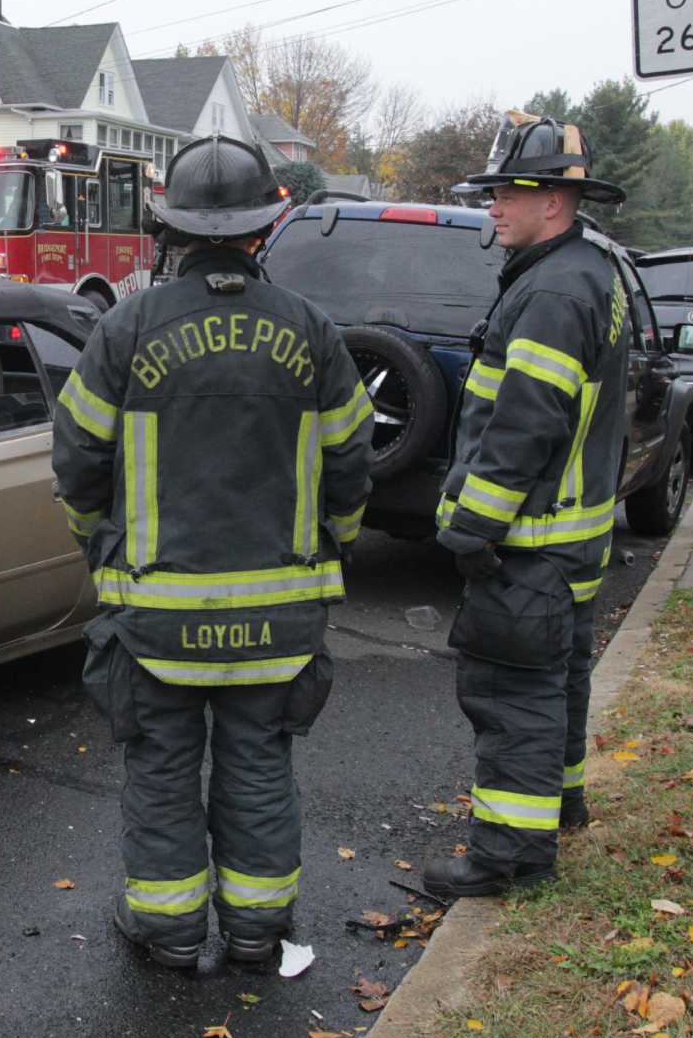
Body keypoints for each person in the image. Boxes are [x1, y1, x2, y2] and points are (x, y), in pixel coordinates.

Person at [51, 134, 373, 969]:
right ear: (264, 230)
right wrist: (332, 543)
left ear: (169, 227)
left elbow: (77, 460)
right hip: (279, 618)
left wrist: (100, 546)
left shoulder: (126, 329)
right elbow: (352, 460)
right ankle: (259, 932)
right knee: (259, 767)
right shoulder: (311, 331)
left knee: (161, 771)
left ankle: (169, 932)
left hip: (157, 619)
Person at [421, 111, 633, 900]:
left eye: (508, 193)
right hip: (573, 538)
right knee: (562, 677)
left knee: (512, 693)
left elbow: (522, 426)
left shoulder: (550, 290)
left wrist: (471, 527)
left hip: (531, 543)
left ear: (555, 201)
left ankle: (509, 852)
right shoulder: (587, 272)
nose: (494, 207)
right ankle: (560, 803)